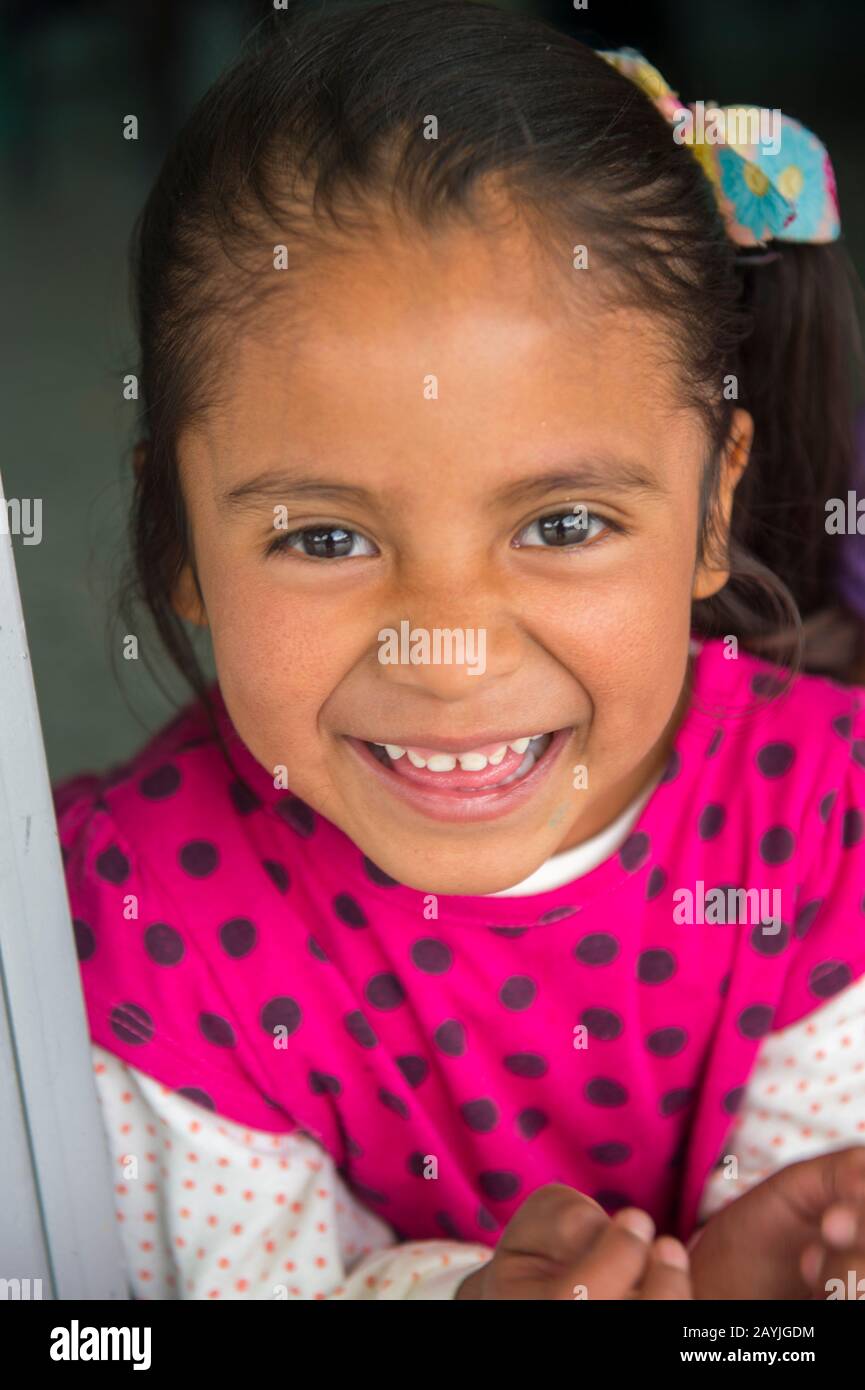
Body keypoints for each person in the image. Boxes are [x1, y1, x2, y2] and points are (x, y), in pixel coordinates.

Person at [54, 0, 865, 1299]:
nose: (444, 649)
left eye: (560, 521)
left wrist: (745, 1289)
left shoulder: (830, 825)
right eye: (323, 538)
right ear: (181, 543)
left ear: (712, 510)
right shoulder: (139, 929)